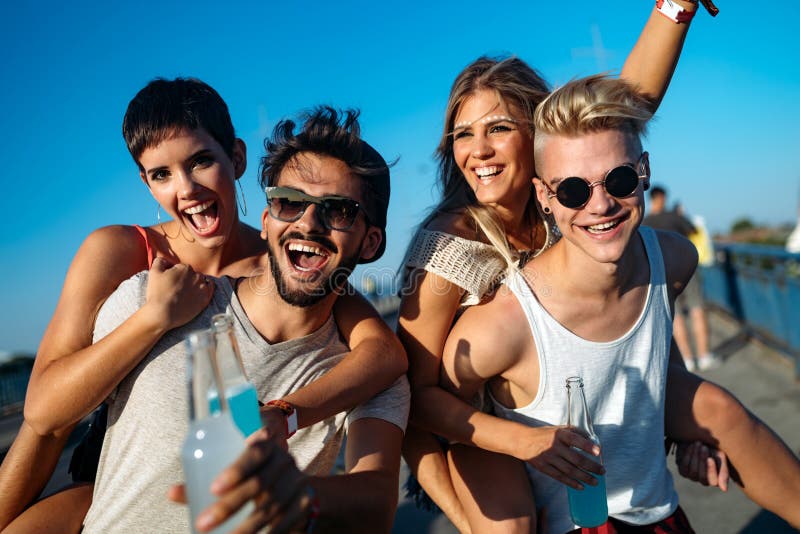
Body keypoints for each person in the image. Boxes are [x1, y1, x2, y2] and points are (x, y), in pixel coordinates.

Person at [397, 2, 800, 532]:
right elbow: (412, 402)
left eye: (497, 127)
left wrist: (675, 9)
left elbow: (620, 110)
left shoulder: (580, 201)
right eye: (462, 134)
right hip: (483, 424)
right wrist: (469, 508)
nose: (478, 150)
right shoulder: (450, 246)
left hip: (584, 380)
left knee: (720, 411)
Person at [0, 80, 407, 533]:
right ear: (145, 181)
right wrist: (155, 318)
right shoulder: (124, 254)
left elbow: (383, 353)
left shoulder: (283, 260)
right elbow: (44, 419)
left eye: (200, 162)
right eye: (161, 175)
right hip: (105, 458)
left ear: (235, 157)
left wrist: (282, 416)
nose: (187, 188)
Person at [643, 185, 718, 371]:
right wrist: (681, 214)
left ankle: (687, 359)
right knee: (697, 309)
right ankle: (704, 355)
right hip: (687, 268)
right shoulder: (674, 216)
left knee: (675, 317)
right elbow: (693, 231)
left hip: (662, 272)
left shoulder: (645, 222)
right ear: (662, 197)